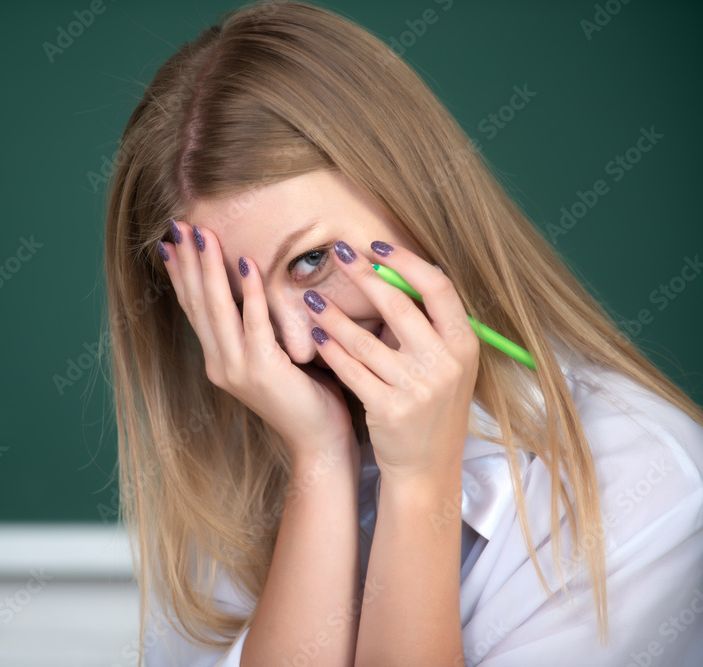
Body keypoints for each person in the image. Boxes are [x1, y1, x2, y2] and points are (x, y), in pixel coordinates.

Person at [101, 2, 703, 664]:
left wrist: (421, 483)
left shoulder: (645, 484)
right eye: (239, 300)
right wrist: (320, 460)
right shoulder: (224, 484)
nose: (298, 344)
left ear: (412, 187)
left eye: (312, 260)